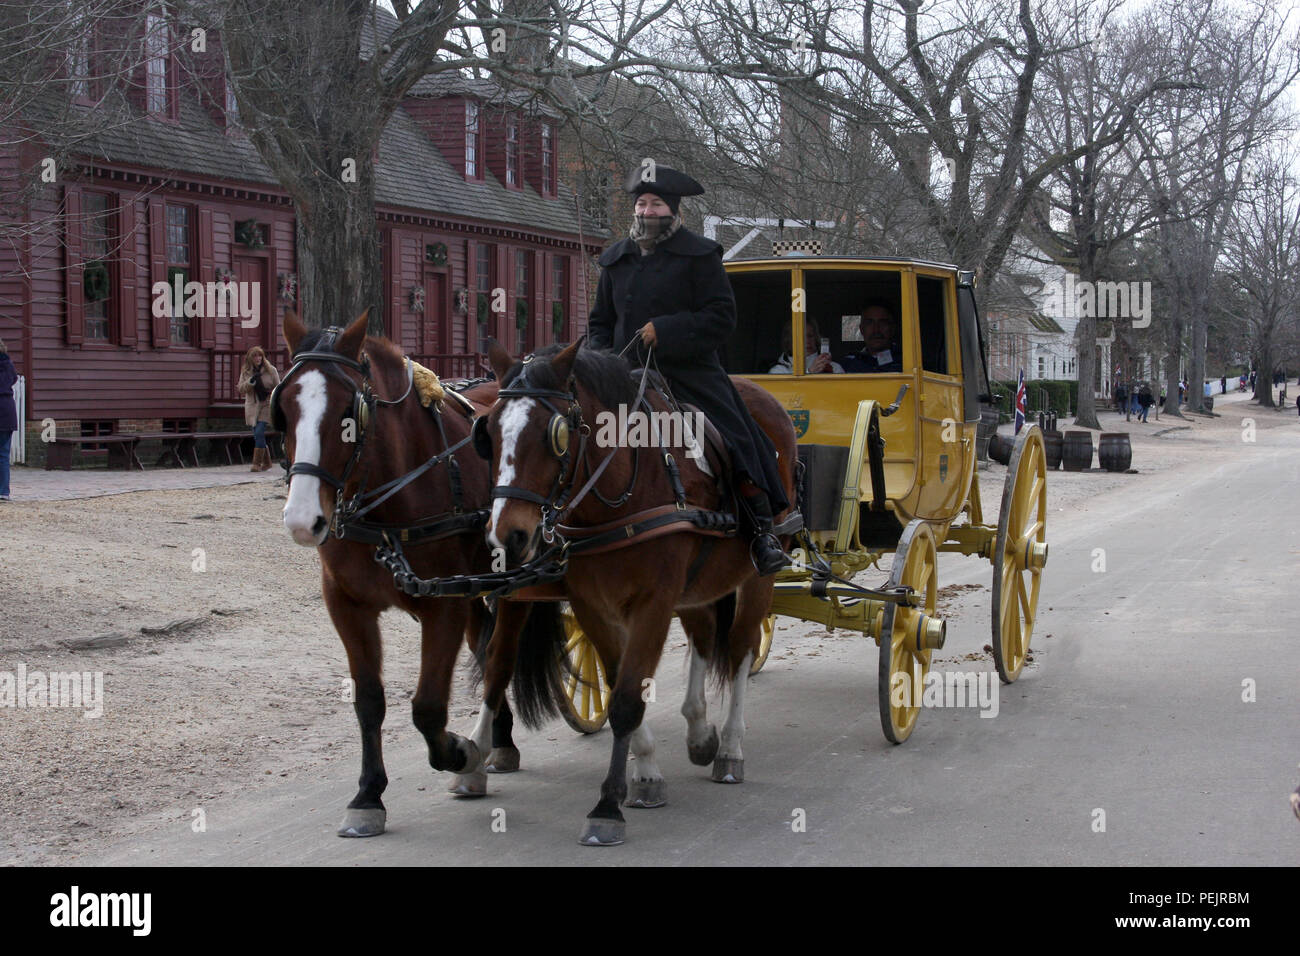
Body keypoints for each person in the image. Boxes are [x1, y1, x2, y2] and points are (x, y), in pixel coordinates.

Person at [587, 164, 789, 575]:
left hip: (691, 374)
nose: (647, 211)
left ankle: (761, 532)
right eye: (641, 203)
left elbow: (721, 317)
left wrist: (667, 329)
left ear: (673, 211)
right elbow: (599, 324)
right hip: (624, 377)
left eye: (656, 204)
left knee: (735, 439)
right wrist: (599, 364)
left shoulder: (700, 255)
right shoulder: (615, 260)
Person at [237, 346, 280, 471]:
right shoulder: (246, 371)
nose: (258, 358)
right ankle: (267, 462)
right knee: (257, 435)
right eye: (255, 356)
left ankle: (256, 463)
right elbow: (240, 388)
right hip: (252, 405)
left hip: (266, 403)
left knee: (260, 431)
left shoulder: (271, 370)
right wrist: (250, 382)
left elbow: (278, 387)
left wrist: (273, 398)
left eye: (260, 355)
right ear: (250, 358)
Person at [840, 301, 903, 372]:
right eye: (869, 323)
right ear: (861, 329)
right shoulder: (848, 364)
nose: (876, 330)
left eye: (883, 322)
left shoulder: (905, 361)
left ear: (892, 328)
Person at [768, 316, 843, 374]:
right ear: (789, 342)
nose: (807, 341)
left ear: (816, 339)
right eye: (801, 337)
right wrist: (810, 372)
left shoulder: (835, 368)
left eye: (810, 336)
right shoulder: (778, 371)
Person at [0, 337, 16, 501]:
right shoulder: (9, 365)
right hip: (8, 411)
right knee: (3, 455)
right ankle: (4, 491)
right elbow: (14, 379)